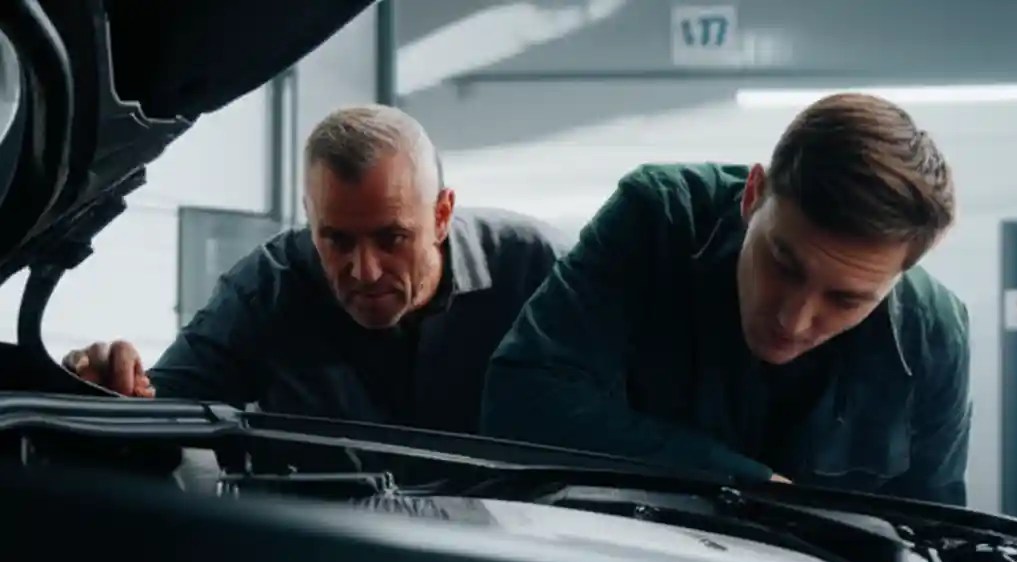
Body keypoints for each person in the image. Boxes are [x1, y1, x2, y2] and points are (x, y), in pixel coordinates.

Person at [481, 93, 971, 505]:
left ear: (898, 278)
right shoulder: (658, 218)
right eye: (783, 264)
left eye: (845, 300)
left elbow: (935, 539)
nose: (794, 320)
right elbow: (521, 403)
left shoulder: (933, 338)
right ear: (753, 193)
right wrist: (745, 485)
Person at [64, 104, 570, 435]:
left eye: (392, 238)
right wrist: (109, 387)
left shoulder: (543, 273)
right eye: (337, 239)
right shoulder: (267, 290)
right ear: (311, 219)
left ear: (440, 215)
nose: (365, 271)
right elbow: (160, 414)